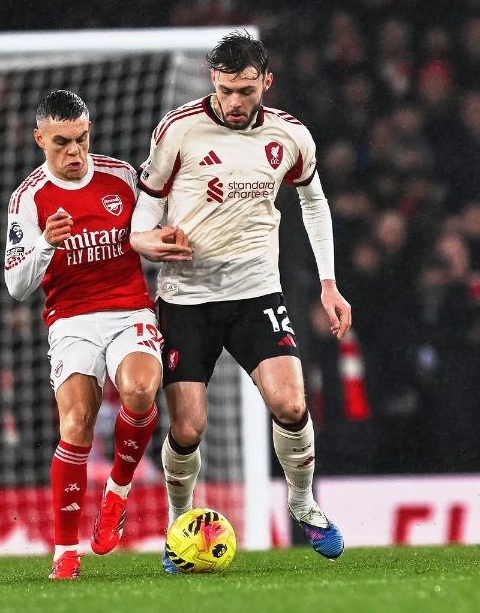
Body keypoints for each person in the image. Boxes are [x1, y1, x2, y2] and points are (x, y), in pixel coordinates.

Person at [130, 31, 352, 570]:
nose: (234, 101)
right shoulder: (178, 129)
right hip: (187, 297)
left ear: (266, 83)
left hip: (256, 292)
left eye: (246, 91)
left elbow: (314, 203)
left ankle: (303, 502)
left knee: (292, 404)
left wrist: (328, 283)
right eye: (226, 90)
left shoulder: (290, 135)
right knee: (187, 429)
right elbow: (149, 200)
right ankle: (179, 524)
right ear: (214, 81)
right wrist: (142, 239)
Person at [4, 90, 190, 580]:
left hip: (129, 309)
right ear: (39, 139)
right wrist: (46, 244)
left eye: (81, 139)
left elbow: (146, 235)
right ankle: (66, 551)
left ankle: (117, 493)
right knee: (77, 422)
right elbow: (16, 285)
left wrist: (164, 240)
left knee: (140, 390)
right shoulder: (29, 198)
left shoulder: (121, 176)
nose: (75, 151)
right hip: (71, 319)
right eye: (61, 142)